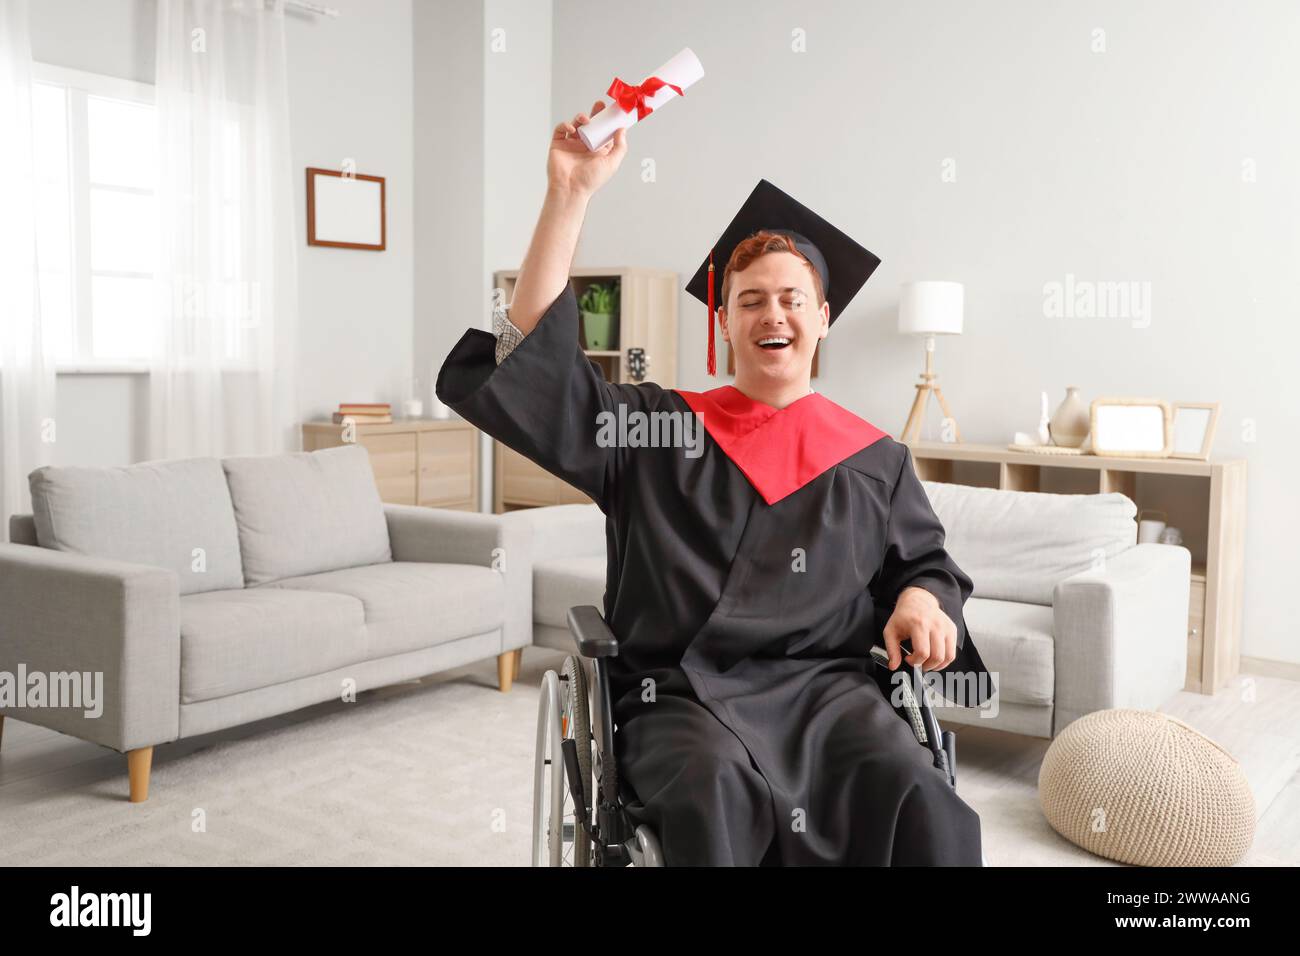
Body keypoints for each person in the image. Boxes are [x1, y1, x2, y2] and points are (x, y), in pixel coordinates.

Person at [437, 100, 996, 866]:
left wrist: (921, 600)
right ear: (724, 324)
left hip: (832, 695)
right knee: (711, 788)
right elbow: (537, 365)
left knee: (915, 788)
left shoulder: (875, 458)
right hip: (679, 696)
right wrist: (569, 193)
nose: (774, 314)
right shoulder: (656, 429)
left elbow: (925, 565)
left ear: (824, 319)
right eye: (751, 301)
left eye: (793, 299)